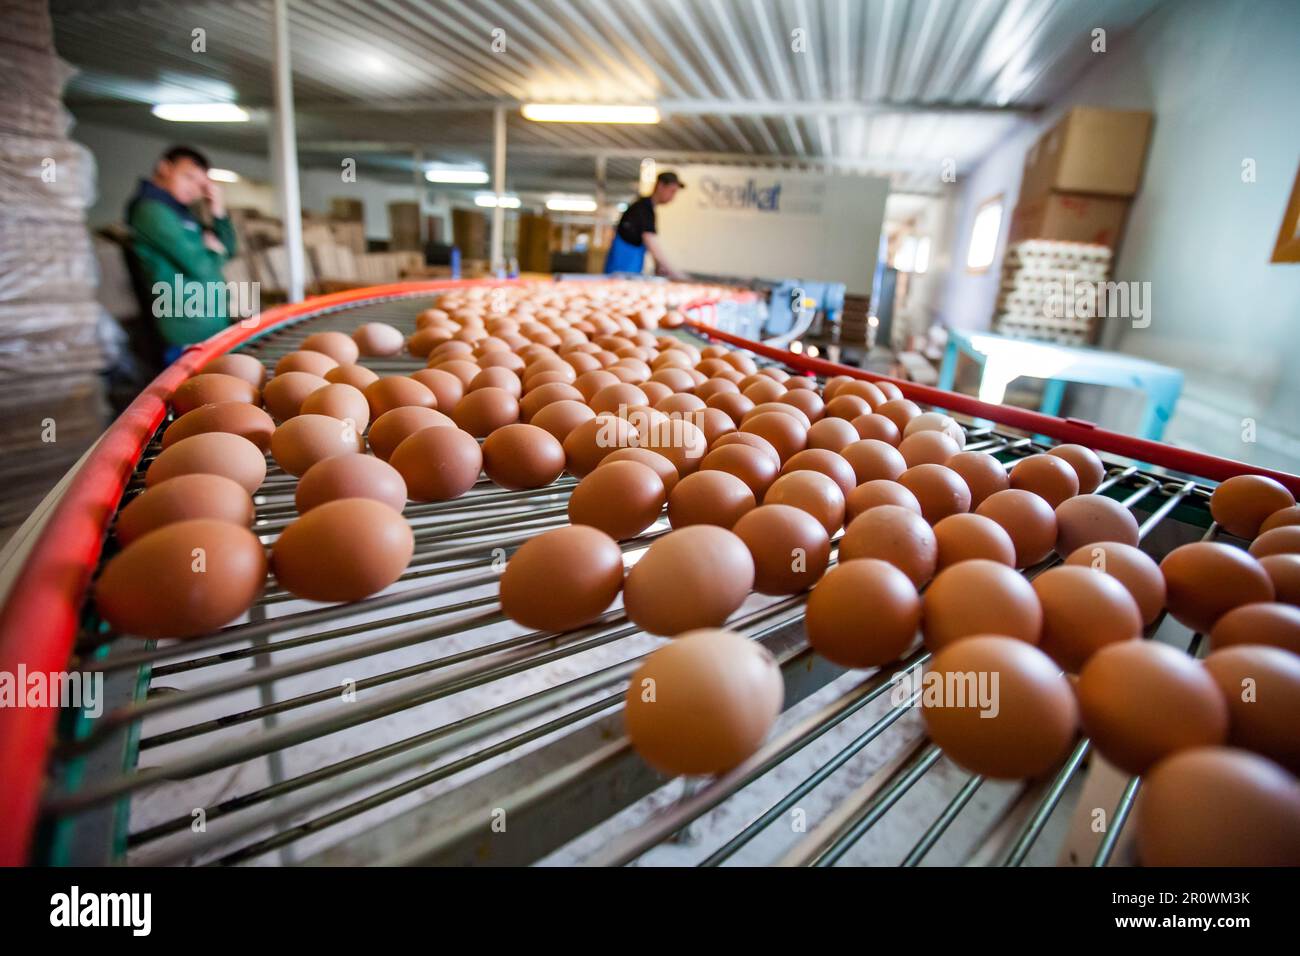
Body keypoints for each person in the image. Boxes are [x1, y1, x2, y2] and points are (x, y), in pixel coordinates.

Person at [126, 145, 238, 360]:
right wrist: (213, 252)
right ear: (164, 168)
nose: (194, 188)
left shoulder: (179, 211)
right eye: (188, 177)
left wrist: (218, 212)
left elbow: (229, 251)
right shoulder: (151, 211)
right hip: (185, 327)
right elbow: (201, 266)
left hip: (207, 323)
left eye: (201, 183)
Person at [604, 171, 687, 279]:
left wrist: (658, 265)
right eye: (672, 191)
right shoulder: (643, 208)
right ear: (660, 186)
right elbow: (650, 239)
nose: (673, 197)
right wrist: (676, 274)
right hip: (620, 271)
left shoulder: (647, 208)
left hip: (630, 269)